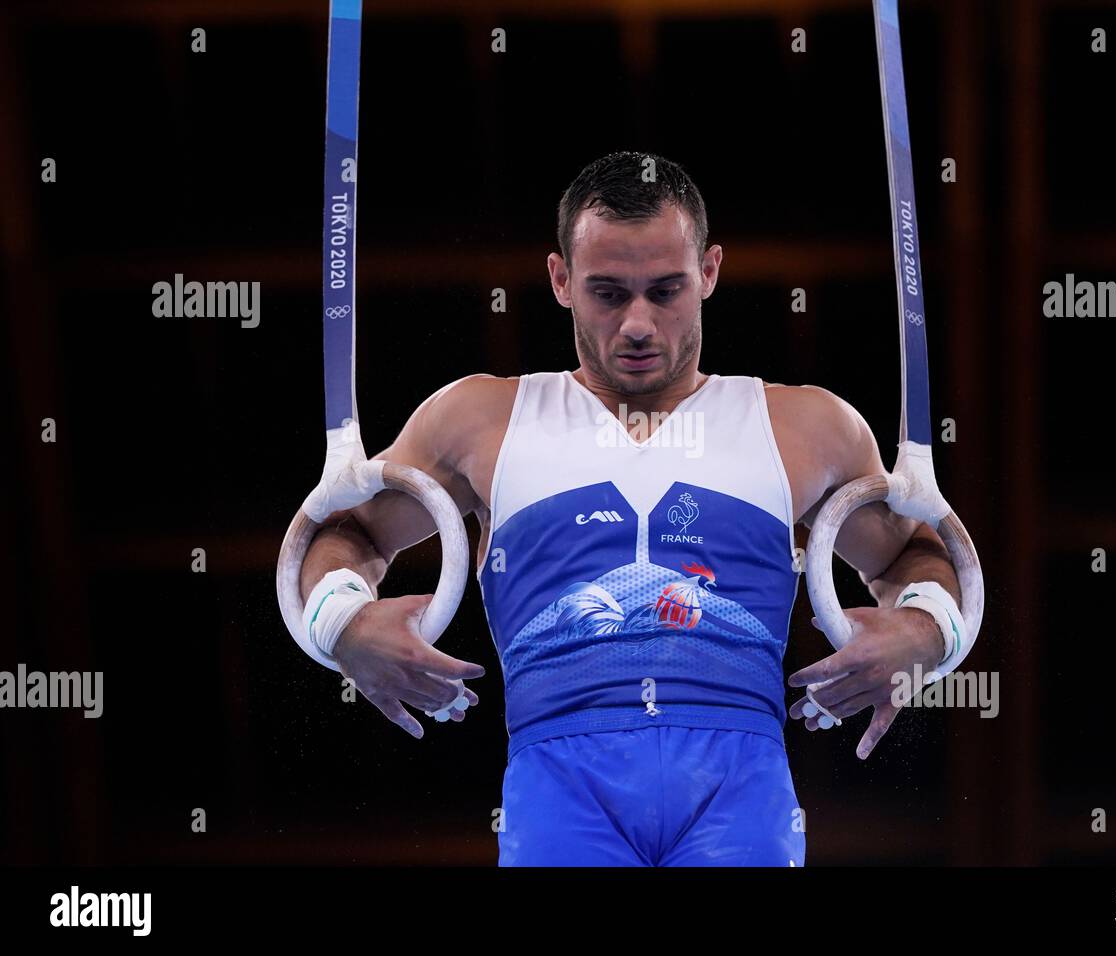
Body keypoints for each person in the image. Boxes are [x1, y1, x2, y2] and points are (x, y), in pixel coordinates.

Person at [295, 151, 962, 866]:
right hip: (559, 782)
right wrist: (344, 621)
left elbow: (913, 556)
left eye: (666, 291)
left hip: (740, 785)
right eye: (608, 294)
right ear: (560, 280)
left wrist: (921, 634)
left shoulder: (805, 427)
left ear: (709, 271)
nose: (638, 324)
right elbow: (344, 533)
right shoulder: (479, 419)